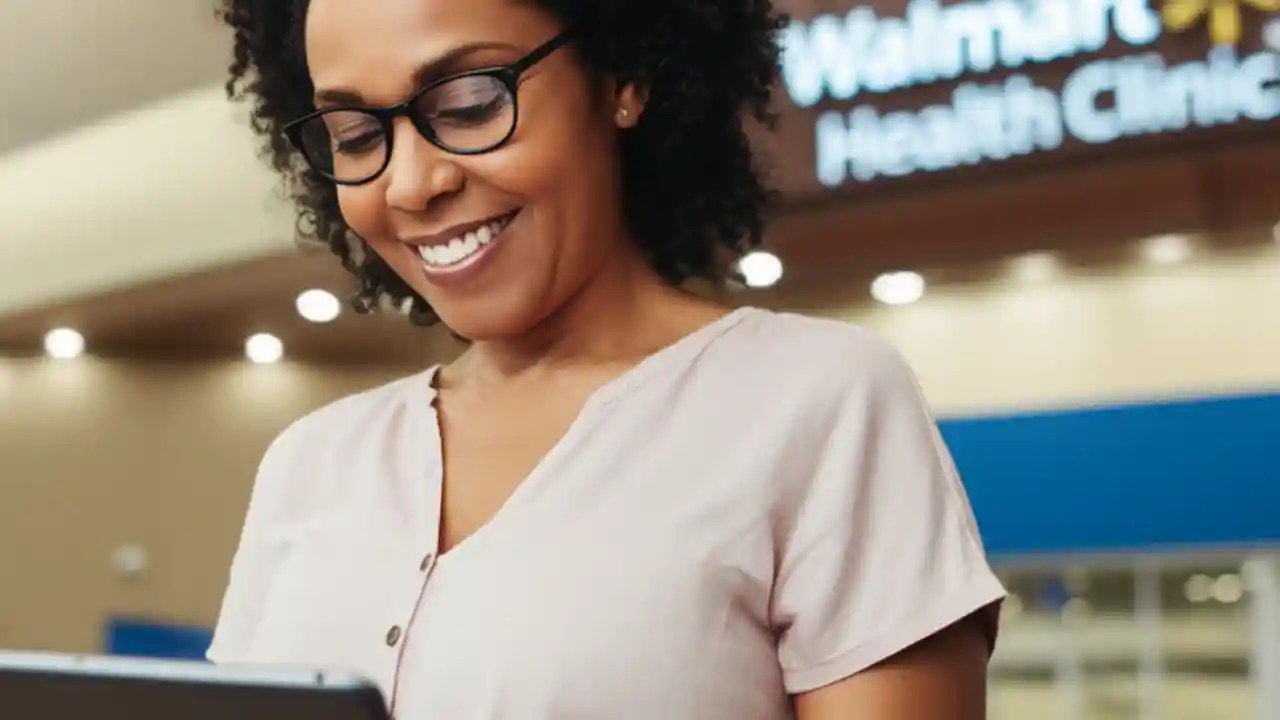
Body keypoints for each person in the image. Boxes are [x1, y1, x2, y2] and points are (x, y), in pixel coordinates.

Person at [208, 0, 1007, 718]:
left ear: (624, 74)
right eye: (355, 136)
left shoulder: (817, 403)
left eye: (470, 103)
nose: (412, 184)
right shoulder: (310, 464)